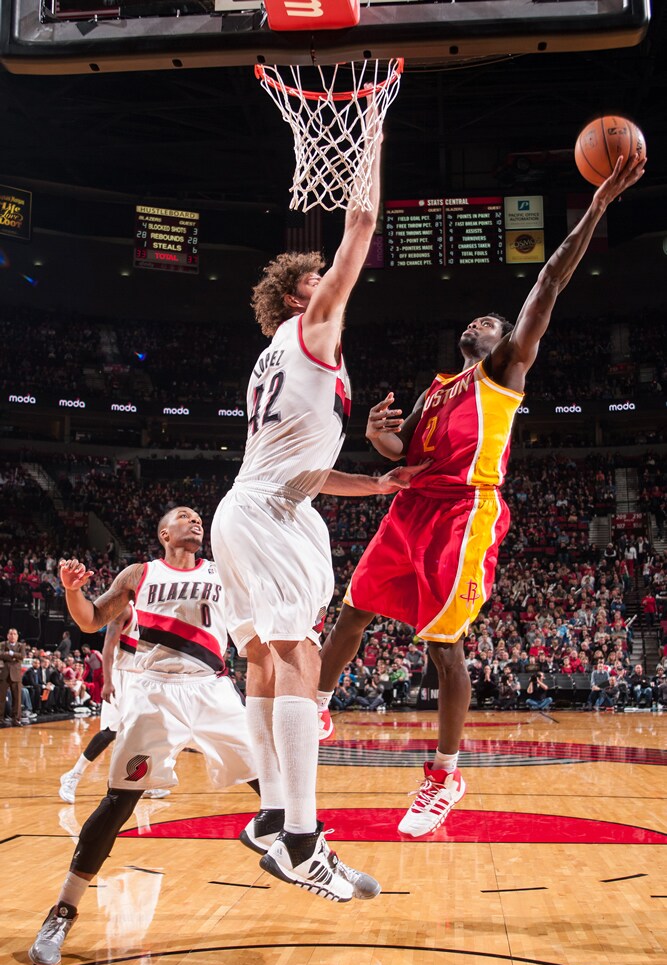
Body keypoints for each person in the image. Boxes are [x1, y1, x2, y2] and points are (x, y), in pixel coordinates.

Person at [317, 151, 646, 838]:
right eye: (479, 319)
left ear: (505, 341)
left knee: (443, 645)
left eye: (494, 318)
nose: (483, 319)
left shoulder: (504, 371)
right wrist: (378, 436)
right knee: (351, 612)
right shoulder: (437, 387)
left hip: (465, 511)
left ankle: (443, 774)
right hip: (410, 506)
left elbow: (551, 279)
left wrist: (596, 206)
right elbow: (401, 452)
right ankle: (314, 706)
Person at [211, 129, 426, 901]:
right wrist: (370, 127)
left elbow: (302, 467)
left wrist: (373, 484)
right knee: (297, 655)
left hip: (256, 507)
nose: (330, 280)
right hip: (268, 513)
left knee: (269, 661)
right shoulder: (311, 327)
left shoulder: (274, 354)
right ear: (301, 294)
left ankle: (271, 818)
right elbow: (360, 230)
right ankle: (303, 839)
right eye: (318, 276)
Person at [29, 507, 260, 965]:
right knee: (118, 803)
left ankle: (310, 851)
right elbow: (93, 620)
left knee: (275, 778)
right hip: (155, 695)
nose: (196, 522)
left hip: (213, 688)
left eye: (199, 519)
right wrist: (74, 591)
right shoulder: (141, 572)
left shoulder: (223, 571)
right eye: (184, 517)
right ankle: (62, 910)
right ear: (163, 532)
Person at [58, 605, 169, 803]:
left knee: (146, 732)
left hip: (141, 678)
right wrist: (108, 681)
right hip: (120, 676)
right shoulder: (125, 610)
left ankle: (144, 782)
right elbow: (108, 647)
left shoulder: (154, 612)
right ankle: (73, 775)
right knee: (110, 732)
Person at [0, 627, 28, 726]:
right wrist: (15, 658)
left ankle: (16, 719)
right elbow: (1, 655)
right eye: (10, 634)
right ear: (7, 635)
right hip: (4, 674)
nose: (12, 636)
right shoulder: (2, 644)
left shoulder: (21, 645)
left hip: (16, 675)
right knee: (1, 698)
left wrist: (11, 653)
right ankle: (0, 718)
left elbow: (22, 656)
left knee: (17, 698)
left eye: (14, 634)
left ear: (17, 636)